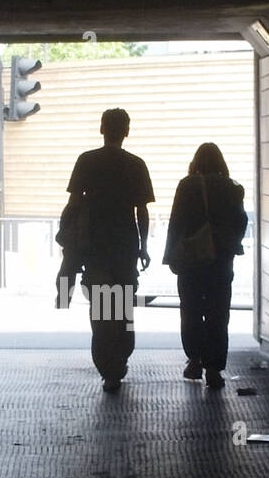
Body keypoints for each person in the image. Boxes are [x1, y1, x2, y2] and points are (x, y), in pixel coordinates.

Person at [63, 109, 154, 391]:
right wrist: (143, 246)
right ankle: (120, 358)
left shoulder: (87, 161)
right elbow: (142, 211)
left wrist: (69, 242)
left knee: (102, 307)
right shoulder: (136, 164)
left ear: (102, 129)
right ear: (127, 131)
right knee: (123, 306)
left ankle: (108, 367)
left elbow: (74, 204)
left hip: (95, 247)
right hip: (125, 246)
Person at [162, 142, 247, 389]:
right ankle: (214, 369)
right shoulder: (233, 188)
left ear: (195, 162)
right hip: (220, 262)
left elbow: (175, 222)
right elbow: (240, 223)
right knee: (218, 313)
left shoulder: (187, 186)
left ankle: (195, 359)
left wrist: (171, 256)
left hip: (191, 261)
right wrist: (228, 245)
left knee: (190, 310)